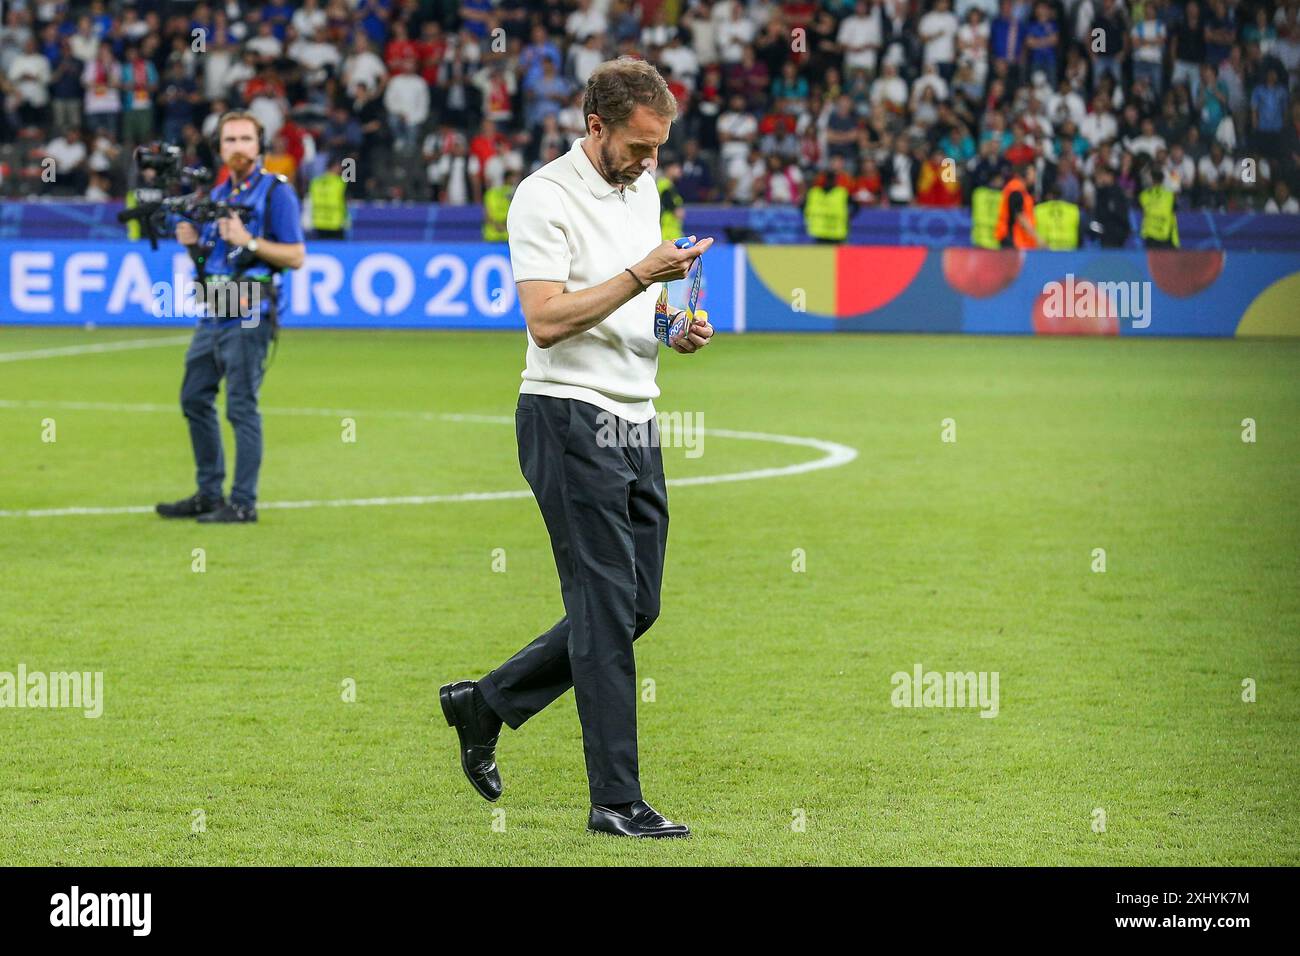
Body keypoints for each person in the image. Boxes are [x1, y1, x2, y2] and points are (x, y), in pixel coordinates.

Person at [439, 58, 714, 839]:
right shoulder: (543, 196)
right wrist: (642, 272)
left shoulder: (643, 186)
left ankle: (484, 703)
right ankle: (615, 801)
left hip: (636, 417)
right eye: (638, 145)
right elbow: (549, 320)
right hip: (567, 416)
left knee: (636, 606)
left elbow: (640, 310)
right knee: (602, 607)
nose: (650, 160)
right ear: (596, 127)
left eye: (659, 146)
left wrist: (674, 329)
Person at [155, 112, 306, 524]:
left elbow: (295, 255)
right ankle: (208, 492)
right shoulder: (219, 192)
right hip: (216, 307)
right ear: (219, 148)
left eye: (246, 139)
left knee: (240, 405)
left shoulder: (276, 193)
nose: (238, 146)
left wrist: (249, 240)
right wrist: (192, 246)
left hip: (251, 308)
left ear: (259, 146)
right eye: (230, 139)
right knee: (194, 397)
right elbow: (212, 261)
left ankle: (242, 502)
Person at [995, 161, 1039, 248]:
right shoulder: (1016, 191)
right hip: (1011, 239)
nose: (1035, 176)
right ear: (1024, 174)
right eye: (1032, 173)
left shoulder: (1020, 190)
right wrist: (1037, 237)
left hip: (1015, 239)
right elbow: (1020, 216)